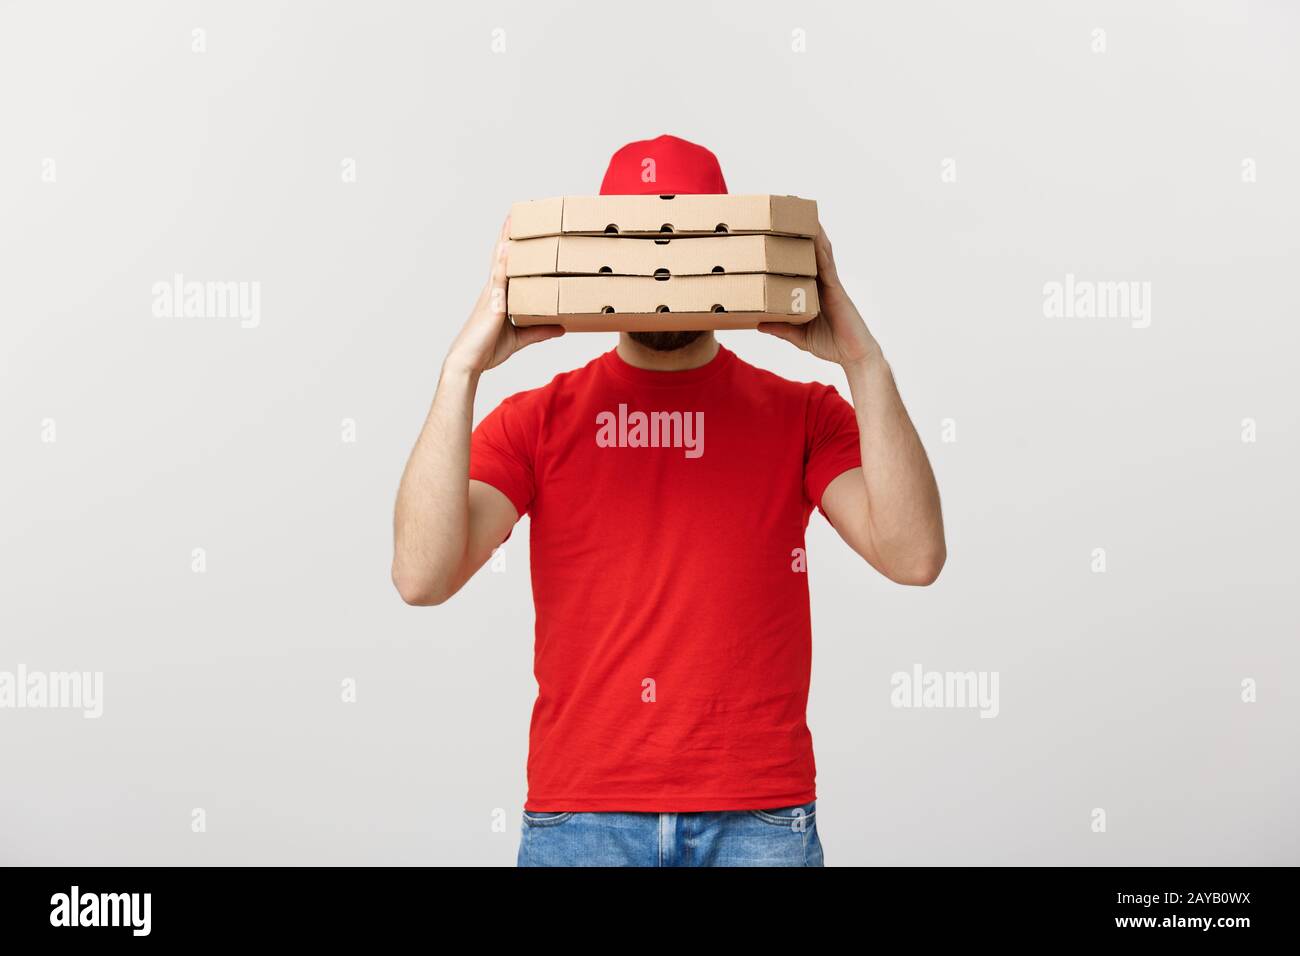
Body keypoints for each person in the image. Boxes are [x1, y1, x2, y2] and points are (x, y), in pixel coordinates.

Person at [392, 135, 946, 867]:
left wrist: (862, 360)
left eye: (684, 243)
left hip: (759, 817)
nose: (661, 269)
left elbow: (914, 557)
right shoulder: (537, 419)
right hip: (582, 818)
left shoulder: (803, 415)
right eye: (640, 245)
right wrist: (461, 369)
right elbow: (420, 577)